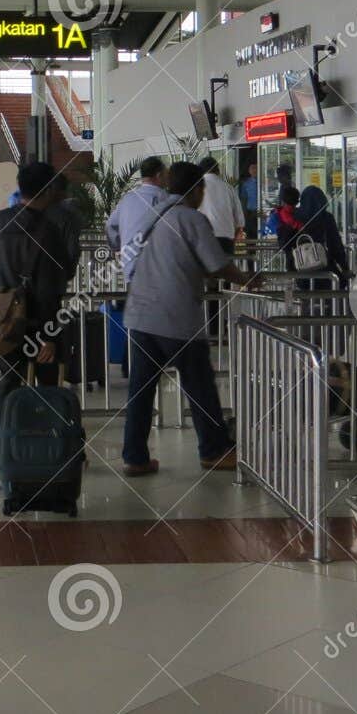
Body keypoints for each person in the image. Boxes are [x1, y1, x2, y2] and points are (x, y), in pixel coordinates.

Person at [122, 161, 260, 476]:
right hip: (176, 317)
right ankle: (214, 450)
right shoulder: (191, 219)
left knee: (141, 390)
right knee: (200, 385)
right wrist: (246, 280)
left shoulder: (152, 214)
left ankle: (135, 457)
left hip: (141, 314)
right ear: (197, 189)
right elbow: (216, 264)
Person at [0, 161, 81, 466]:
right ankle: (45, 456)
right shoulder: (50, 232)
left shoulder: (2, 220)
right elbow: (50, 290)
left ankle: (4, 459)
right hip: (38, 324)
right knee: (47, 389)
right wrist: (49, 337)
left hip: (6, 320)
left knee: (8, 386)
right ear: (49, 190)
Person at [198, 157, 244, 340]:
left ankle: (207, 328)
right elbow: (239, 222)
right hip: (225, 242)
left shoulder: (197, 188)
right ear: (217, 170)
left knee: (205, 284)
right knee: (223, 286)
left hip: (203, 241)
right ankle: (220, 328)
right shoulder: (228, 188)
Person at [106, 155, 167, 281]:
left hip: (130, 268)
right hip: (157, 271)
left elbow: (110, 225)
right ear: (159, 175)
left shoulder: (127, 199)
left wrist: (117, 247)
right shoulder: (164, 199)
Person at [291, 184, 351, 284]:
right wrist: (345, 268)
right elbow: (335, 244)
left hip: (301, 268)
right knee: (339, 285)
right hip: (324, 268)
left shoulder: (295, 216)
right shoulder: (326, 218)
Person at [238, 162, 260, 240]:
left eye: (256, 168)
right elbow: (244, 199)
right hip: (251, 213)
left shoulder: (264, 181)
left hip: (262, 212)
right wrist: (243, 214)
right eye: (252, 168)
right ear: (249, 171)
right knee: (250, 235)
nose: (254, 170)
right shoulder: (246, 183)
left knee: (261, 234)